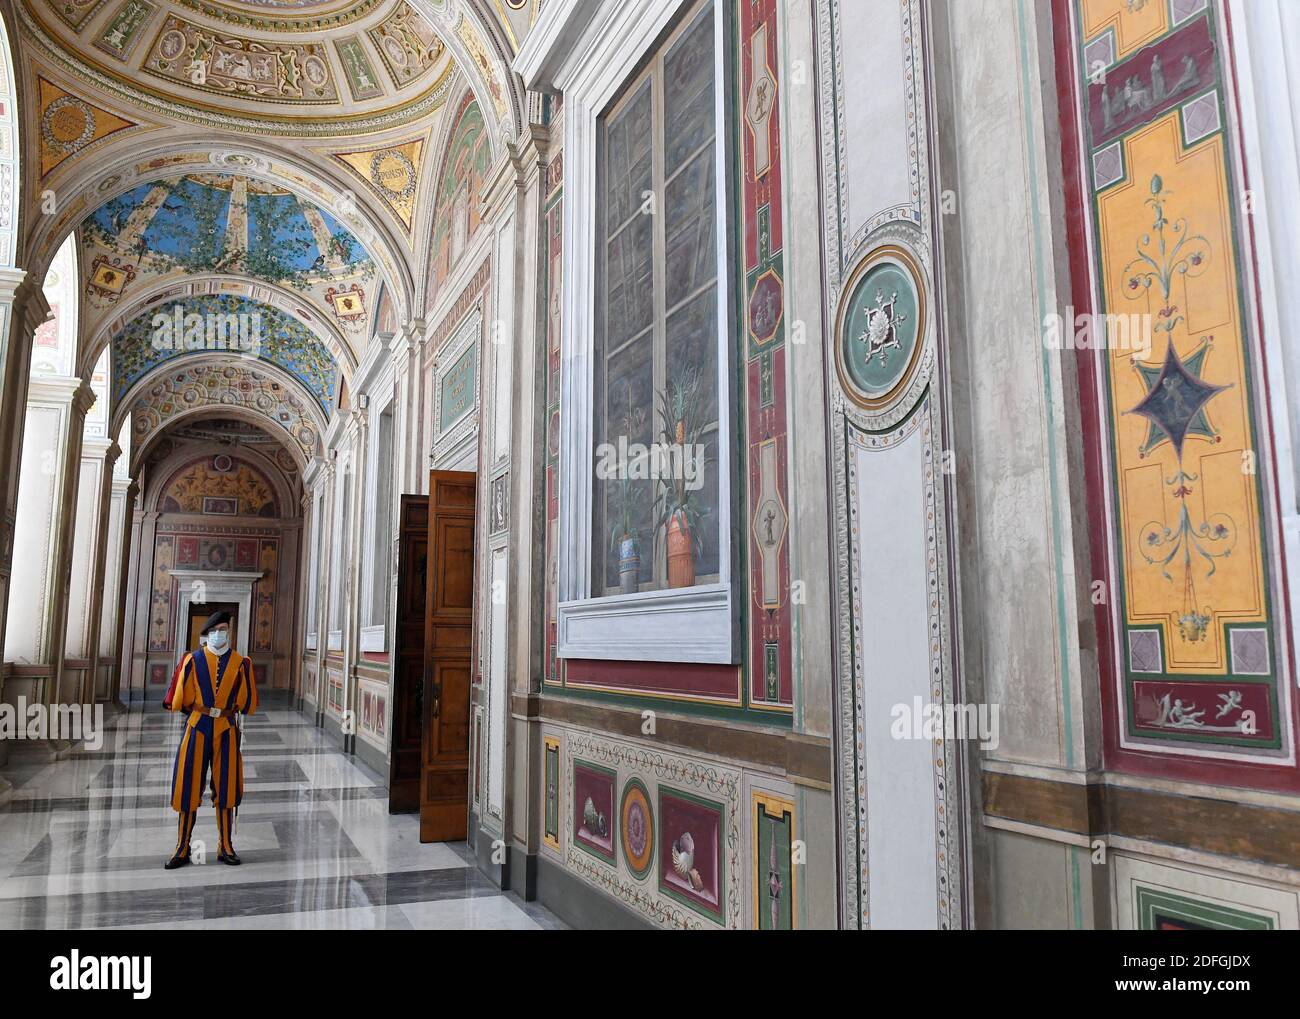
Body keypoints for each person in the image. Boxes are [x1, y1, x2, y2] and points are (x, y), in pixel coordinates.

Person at [162, 610, 258, 868]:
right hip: (197, 725)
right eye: (215, 630)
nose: (219, 634)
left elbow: (247, 703)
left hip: (226, 727)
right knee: (187, 784)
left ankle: (225, 845)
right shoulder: (192, 660)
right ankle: (182, 845)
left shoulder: (241, 663)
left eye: (224, 629)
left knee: (226, 787)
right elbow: (179, 698)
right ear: (207, 633)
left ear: (229, 632)